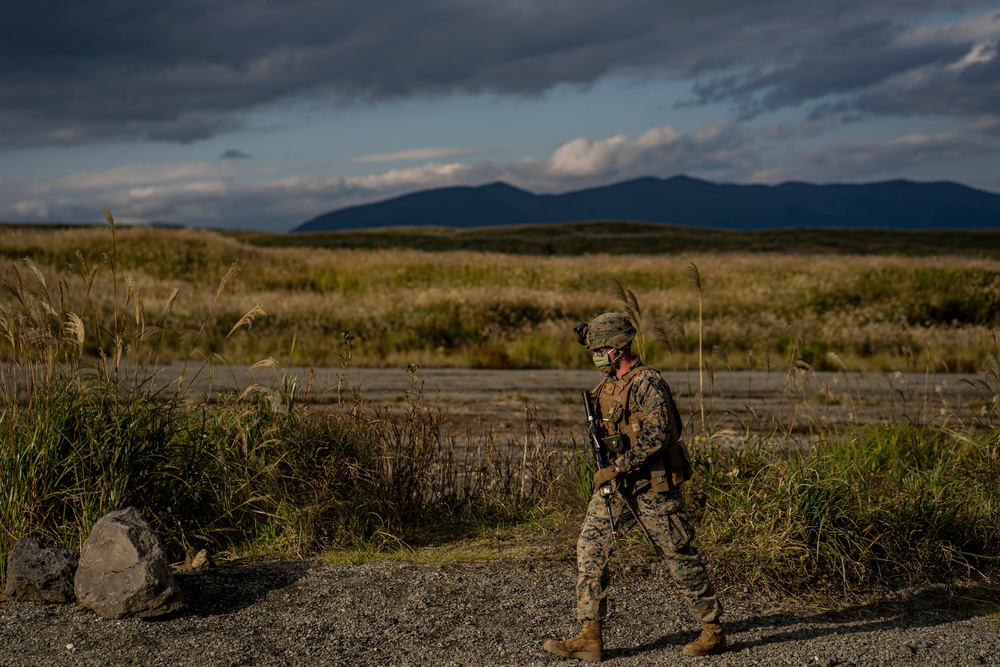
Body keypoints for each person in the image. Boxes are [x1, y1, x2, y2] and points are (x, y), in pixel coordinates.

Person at [542, 312, 725, 662]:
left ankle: (713, 629)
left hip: (653, 485)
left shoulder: (648, 383)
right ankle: (589, 636)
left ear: (618, 348)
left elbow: (660, 435)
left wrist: (617, 467)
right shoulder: (606, 386)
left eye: (600, 348)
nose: (596, 355)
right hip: (618, 487)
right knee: (590, 548)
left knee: (677, 555)